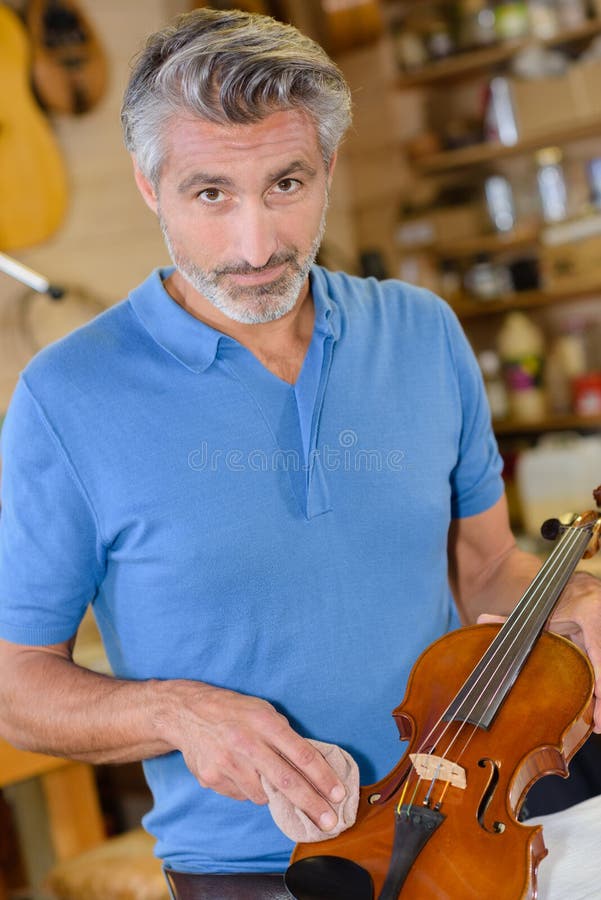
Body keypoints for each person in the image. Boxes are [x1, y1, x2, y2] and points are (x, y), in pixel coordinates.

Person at [0, 8, 600, 898]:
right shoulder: (64, 397)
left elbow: (481, 565)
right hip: (254, 874)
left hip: (481, 836)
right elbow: (17, 685)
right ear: (148, 183)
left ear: (327, 166)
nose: (256, 247)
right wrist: (178, 711)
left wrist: (579, 607)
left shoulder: (422, 333)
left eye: (287, 184)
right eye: (211, 194)